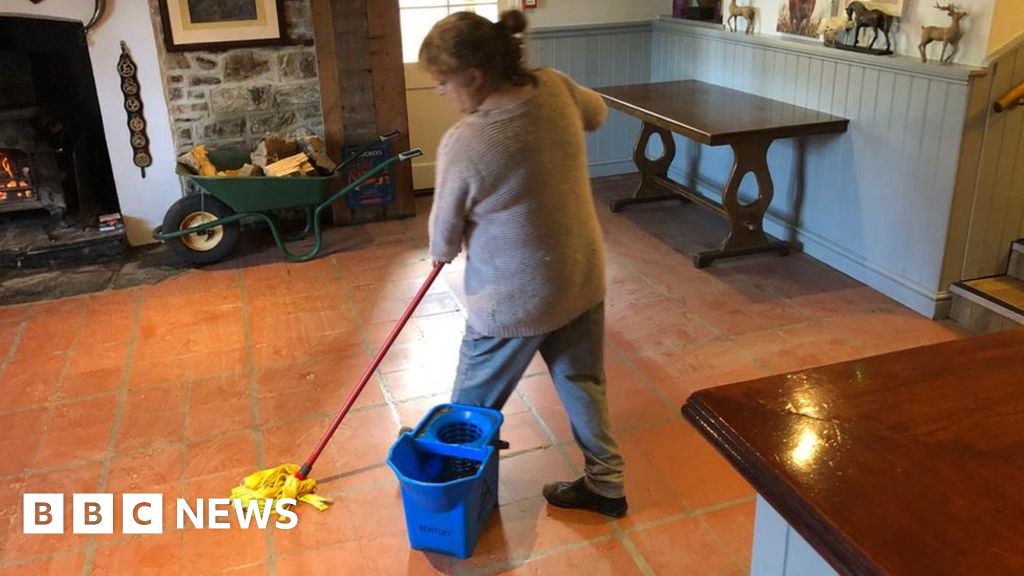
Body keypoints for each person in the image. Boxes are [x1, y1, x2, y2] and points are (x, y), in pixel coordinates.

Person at [419, 9, 627, 518]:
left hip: (513, 301)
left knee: (470, 409)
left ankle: (454, 499)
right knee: (583, 384)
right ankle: (607, 485)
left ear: (473, 77)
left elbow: (443, 239)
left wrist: (446, 248)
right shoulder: (553, 86)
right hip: (579, 278)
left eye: (443, 83)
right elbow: (597, 113)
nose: (441, 93)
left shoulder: (467, 142)